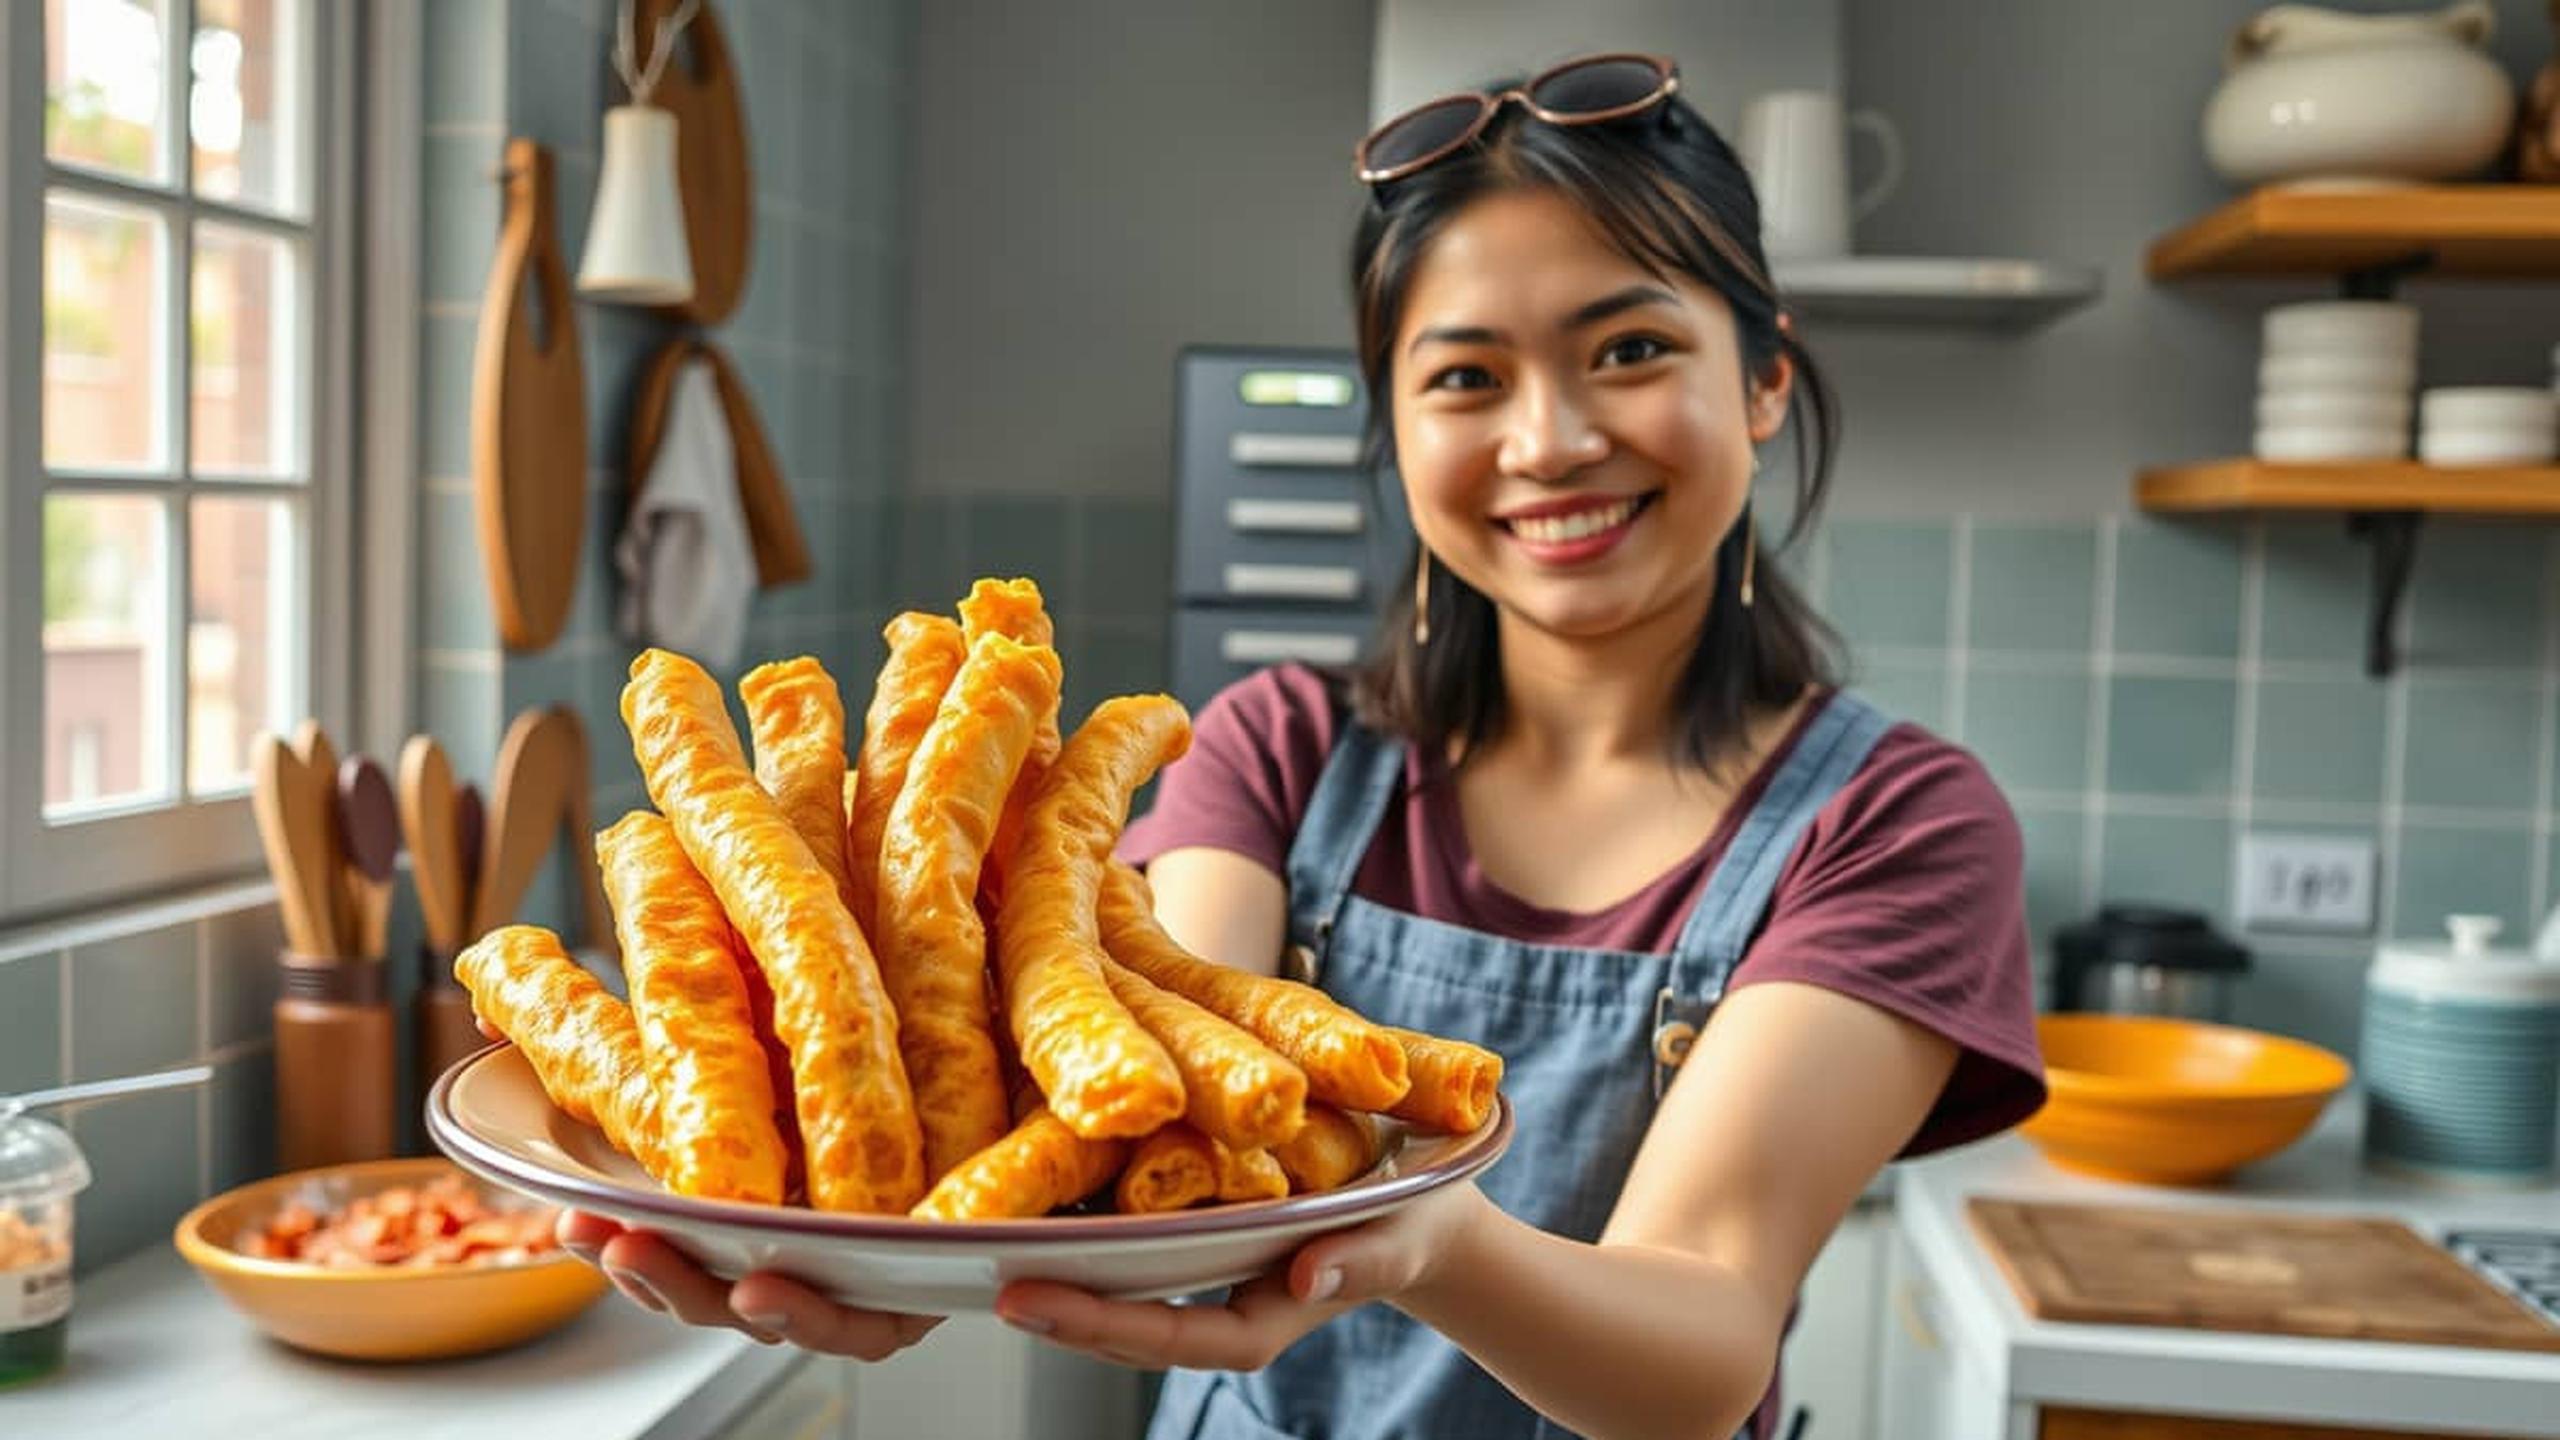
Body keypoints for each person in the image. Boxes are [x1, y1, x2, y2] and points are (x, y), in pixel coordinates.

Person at [559, 52, 2044, 1440]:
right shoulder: (1278, 749)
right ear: (1396, 429)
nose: (1548, 441)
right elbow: (1140, 1100)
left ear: (1767, 377)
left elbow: (1704, 1345)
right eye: (1465, 377)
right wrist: (870, 1257)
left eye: (1631, 348)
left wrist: (1431, 1241)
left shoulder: (1895, 824)